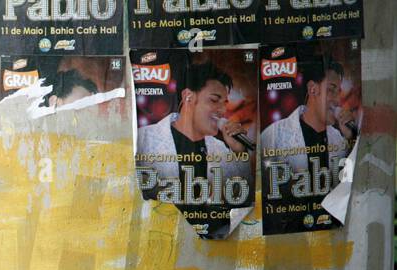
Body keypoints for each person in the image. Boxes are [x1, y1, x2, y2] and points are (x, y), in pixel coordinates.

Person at [135, 62, 255, 200]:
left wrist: (239, 153)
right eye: (214, 100)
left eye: (225, 103)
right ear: (188, 97)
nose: (223, 110)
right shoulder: (144, 139)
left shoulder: (220, 149)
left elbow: (241, 197)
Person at [260, 57, 356, 181]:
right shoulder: (274, 135)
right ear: (312, 89)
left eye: (339, 92)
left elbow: (349, 182)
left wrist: (350, 140)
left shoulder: (339, 138)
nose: (338, 101)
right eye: (331, 90)